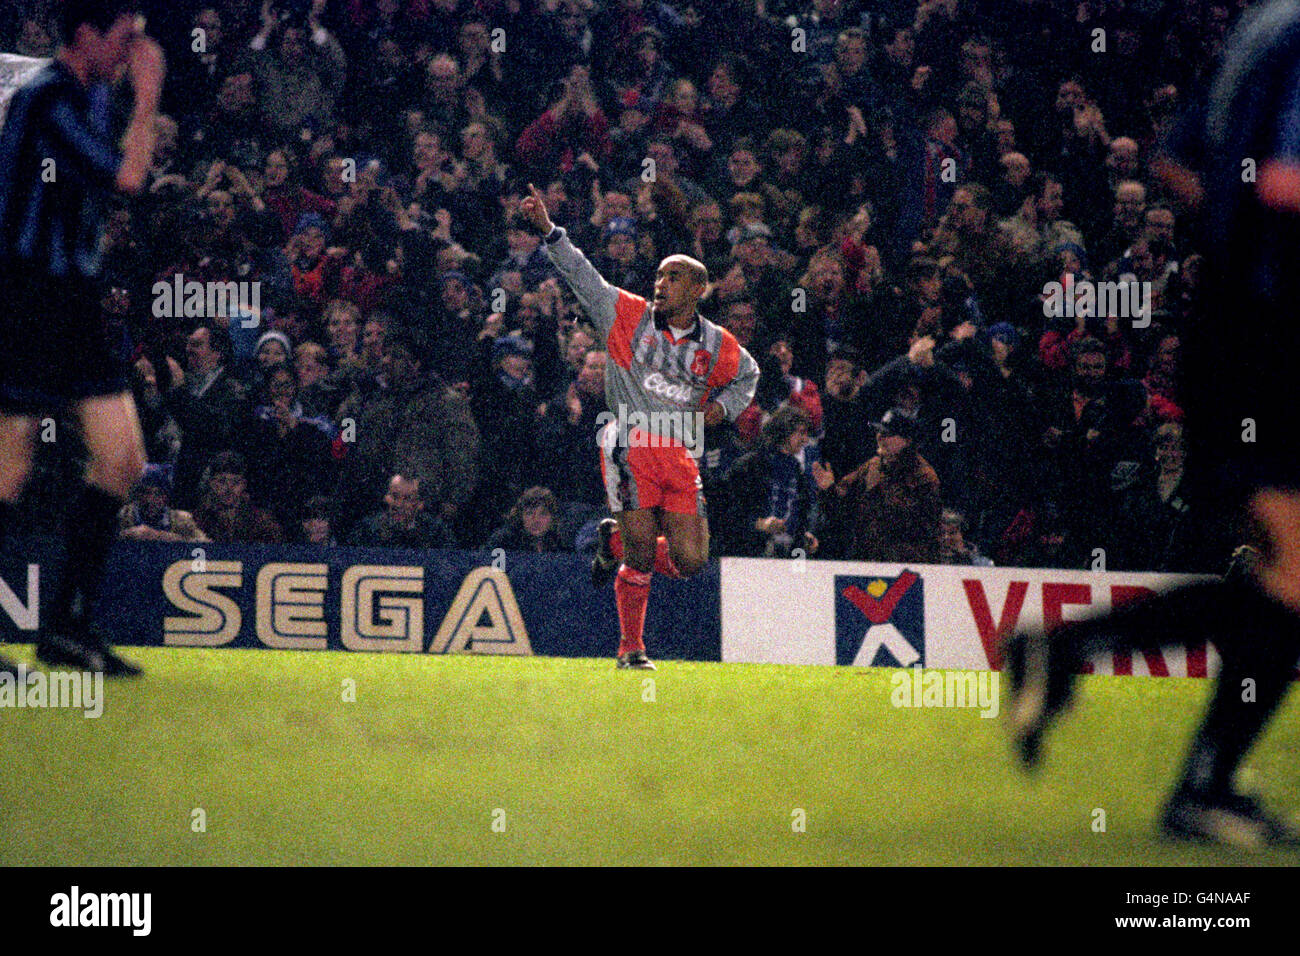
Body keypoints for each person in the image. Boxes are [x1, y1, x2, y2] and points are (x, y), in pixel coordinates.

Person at [1005, 0, 1300, 848]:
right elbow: (1279, 181)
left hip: (1242, 318)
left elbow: (1177, 161)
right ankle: (1198, 782)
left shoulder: (1262, 30)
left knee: (1285, 574)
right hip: (1269, 330)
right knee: (1293, 570)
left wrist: (1232, 242)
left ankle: (1071, 658)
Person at [520, 183, 758, 670]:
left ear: (698, 290)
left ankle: (614, 542)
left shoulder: (717, 343)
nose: (661, 283)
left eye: (674, 277)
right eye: (658, 276)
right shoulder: (624, 313)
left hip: (682, 450)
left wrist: (722, 410)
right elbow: (581, 275)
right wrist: (548, 230)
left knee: (692, 561)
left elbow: (749, 377)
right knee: (644, 556)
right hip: (630, 440)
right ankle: (631, 649)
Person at [0, 1, 165, 677]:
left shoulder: (93, 98)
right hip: (25, 295)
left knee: (123, 459)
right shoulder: (48, 98)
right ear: (87, 36)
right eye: (125, 38)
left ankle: (65, 627)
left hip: (76, 299)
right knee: (9, 463)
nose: (132, 50)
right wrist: (149, 97)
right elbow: (126, 176)